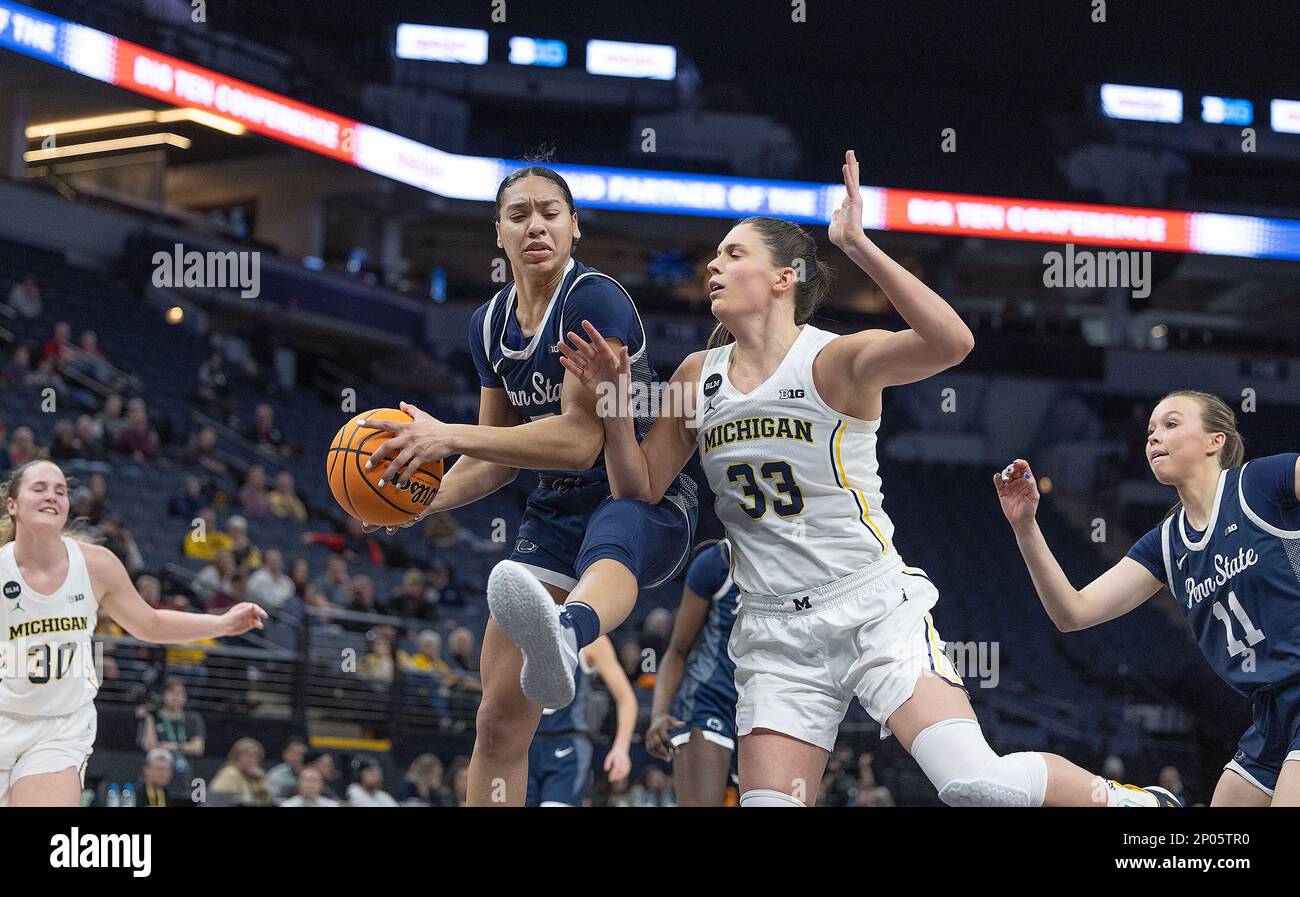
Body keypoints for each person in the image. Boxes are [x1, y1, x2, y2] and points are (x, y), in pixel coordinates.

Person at [557, 151, 1175, 809]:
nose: (712, 264)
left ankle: (1130, 803)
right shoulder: (694, 375)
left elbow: (952, 342)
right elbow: (642, 489)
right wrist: (615, 406)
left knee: (979, 786)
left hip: (869, 608)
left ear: (782, 278)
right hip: (772, 632)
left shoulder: (835, 359)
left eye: (733, 253)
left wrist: (857, 244)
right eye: (714, 254)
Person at [360, 162, 697, 807]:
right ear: (498, 234)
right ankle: (557, 645)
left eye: (550, 212)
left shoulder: (592, 300)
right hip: (555, 508)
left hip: (639, 494)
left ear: (574, 228)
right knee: (498, 724)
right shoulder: (489, 324)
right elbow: (499, 459)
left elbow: (578, 441)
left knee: (612, 534)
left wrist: (447, 436)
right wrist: (421, 503)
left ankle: (570, 633)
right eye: (519, 214)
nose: (535, 225)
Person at [994, 390, 1300, 806]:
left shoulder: (1258, 484)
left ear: (1216, 441)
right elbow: (1072, 612)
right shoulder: (1166, 543)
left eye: (1171, 424)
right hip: (1269, 712)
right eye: (1150, 430)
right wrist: (1025, 526)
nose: (1154, 437)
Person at [0, 459, 266, 806]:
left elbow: (150, 623)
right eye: (40, 488)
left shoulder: (97, 565)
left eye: (60, 490)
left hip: (59, 727)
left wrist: (220, 623)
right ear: (13, 505)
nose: (52, 495)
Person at [646, 539, 740, 806]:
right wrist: (658, 714)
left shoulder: (794, 563)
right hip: (710, 700)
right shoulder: (719, 560)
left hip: (767, 703)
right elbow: (677, 650)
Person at [526, 635, 635, 807]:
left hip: (567, 746)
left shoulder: (591, 639)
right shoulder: (520, 625)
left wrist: (621, 747)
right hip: (524, 744)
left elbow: (626, 698)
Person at [137, 677, 206, 791]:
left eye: (181, 693)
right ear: (163, 695)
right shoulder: (154, 716)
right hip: (157, 778)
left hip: (184, 777)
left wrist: (168, 745)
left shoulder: (193, 718)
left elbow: (198, 747)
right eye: (172, 692)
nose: (176, 697)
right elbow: (149, 746)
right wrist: (149, 718)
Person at [210, 737, 273, 806]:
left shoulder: (255, 776)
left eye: (256, 756)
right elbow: (219, 801)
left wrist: (260, 780)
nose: (252, 760)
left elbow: (268, 801)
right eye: (248, 756)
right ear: (236, 757)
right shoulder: (230, 774)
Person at [267, 736, 307, 802]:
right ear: (285, 754)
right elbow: (272, 798)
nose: (297, 757)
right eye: (293, 753)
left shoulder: (311, 774)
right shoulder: (275, 774)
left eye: (300, 754)